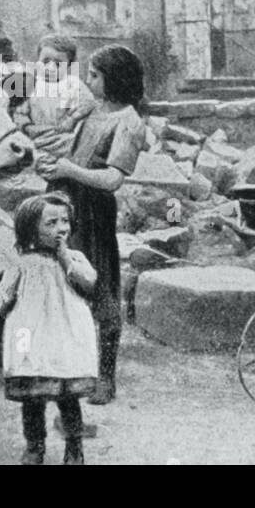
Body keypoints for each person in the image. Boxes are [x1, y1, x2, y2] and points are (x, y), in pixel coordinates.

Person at [36, 44, 147, 405]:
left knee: (99, 284)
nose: (87, 80)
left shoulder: (129, 122)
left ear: (113, 78)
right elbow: (74, 155)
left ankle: (106, 376)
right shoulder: (94, 112)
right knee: (60, 280)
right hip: (65, 202)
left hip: (93, 210)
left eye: (94, 75)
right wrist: (54, 168)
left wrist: (69, 171)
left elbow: (113, 179)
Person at [0, 193, 98, 464]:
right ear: (30, 228)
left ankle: (74, 446)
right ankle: (34, 445)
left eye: (65, 221)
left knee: (68, 398)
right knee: (32, 400)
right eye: (51, 222)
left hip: (66, 335)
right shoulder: (21, 263)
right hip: (30, 336)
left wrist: (64, 257)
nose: (61, 227)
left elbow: (88, 283)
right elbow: (3, 294)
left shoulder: (75, 257)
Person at [16, 34, 96, 141]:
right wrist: (27, 126)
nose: (50, 68)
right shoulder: (30, 84)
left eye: (58, 64)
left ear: (69, 65)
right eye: (45, 61)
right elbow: (20, 113)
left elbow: (89, 103)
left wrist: (72, 119)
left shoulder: (72, 83)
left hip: (64, 136)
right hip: (37, 136)